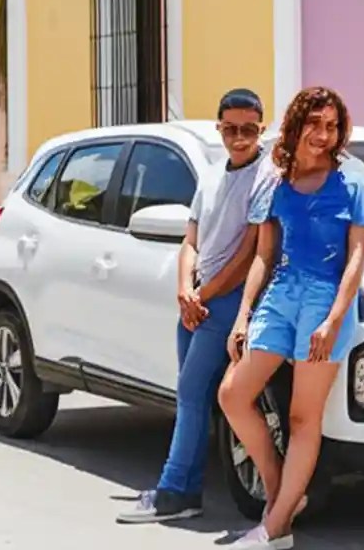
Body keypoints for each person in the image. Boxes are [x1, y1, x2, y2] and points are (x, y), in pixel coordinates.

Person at [218, 87, 364, 550]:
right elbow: (264, 255)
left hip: (325, 301)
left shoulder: (351, 188)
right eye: (315, 123)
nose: (323, 135)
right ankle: (280, 489)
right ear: (297, 124)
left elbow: (357, 258)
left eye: (332, 126)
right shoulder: (277, 184)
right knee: (232, 394)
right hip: (281, 294)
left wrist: (333, 319)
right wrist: (243, 315)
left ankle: (276, 524)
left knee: (304, 418)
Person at [118, 88, 277, 524]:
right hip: (198, 300)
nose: (239, 137)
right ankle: (184, 491)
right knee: (191, 398)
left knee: (191, 394)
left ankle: (173, 492)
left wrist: (201, 297)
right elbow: (191, 239)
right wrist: (184, 289)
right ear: (219, 128)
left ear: (261, 128)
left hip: (224, 304)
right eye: (231, 129)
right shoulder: (210, 174)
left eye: (249, 129)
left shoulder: (267, 176)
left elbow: (249, 253)